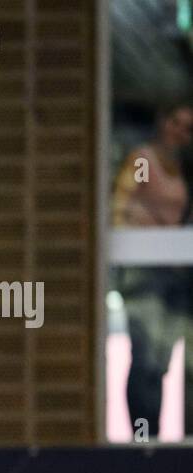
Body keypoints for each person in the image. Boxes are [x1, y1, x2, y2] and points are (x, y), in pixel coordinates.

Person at [111, 102, 193, 438]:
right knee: (147, 362)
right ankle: (145, 439)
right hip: (145, 273)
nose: (180, 133)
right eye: (176, 123)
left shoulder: (182, 168)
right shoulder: (143, 161)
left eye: (188, 128)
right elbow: (120, 208)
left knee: (167, 359)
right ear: (162, 122)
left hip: (175, 273)